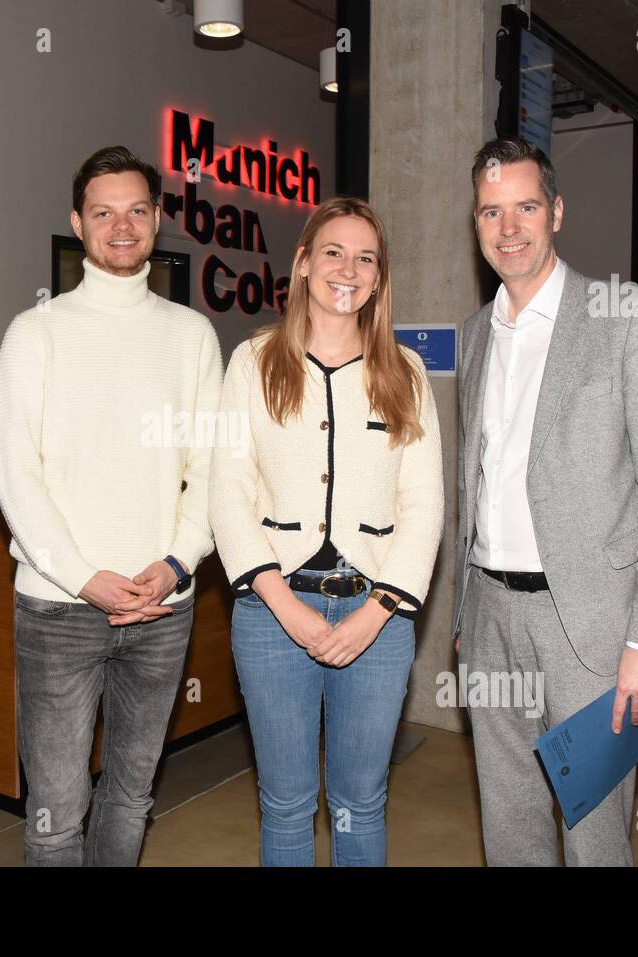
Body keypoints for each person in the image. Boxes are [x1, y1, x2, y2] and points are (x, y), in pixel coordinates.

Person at [453, 137, 638, 866]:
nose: (509, 228)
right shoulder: (475, 335)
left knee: (593, 834)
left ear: (555, 211)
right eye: (491, 212)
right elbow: (479, 479)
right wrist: (468, 610)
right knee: (509, 823)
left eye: (525, 207)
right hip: (492, 617)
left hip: (592, 628)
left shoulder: (625, 318)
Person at [0, 146, 222, 866]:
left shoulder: (192, 336)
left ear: (157, 221)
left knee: (129, 798)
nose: (121, 227)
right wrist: (82, 575)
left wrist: (177, 562)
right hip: (59, 612)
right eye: (103, 212)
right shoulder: (36, 333)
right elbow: (14, 474)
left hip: (161, 610)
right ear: (77, 223)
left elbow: (213, 469)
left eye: (136, 211)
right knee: (57, 818)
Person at [209, 196, 444, 866]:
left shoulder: (406, 373)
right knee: (285, 805)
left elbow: (425, 507)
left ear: (379, 277)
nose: (349, 269)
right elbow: (229, 495)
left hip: (379, 613)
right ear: (304, 263)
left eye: (366, 258)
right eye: (334, 252)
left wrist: (376, 612)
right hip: (271, 611)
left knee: (360, 801)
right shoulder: (251, 363)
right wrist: (285, 605)